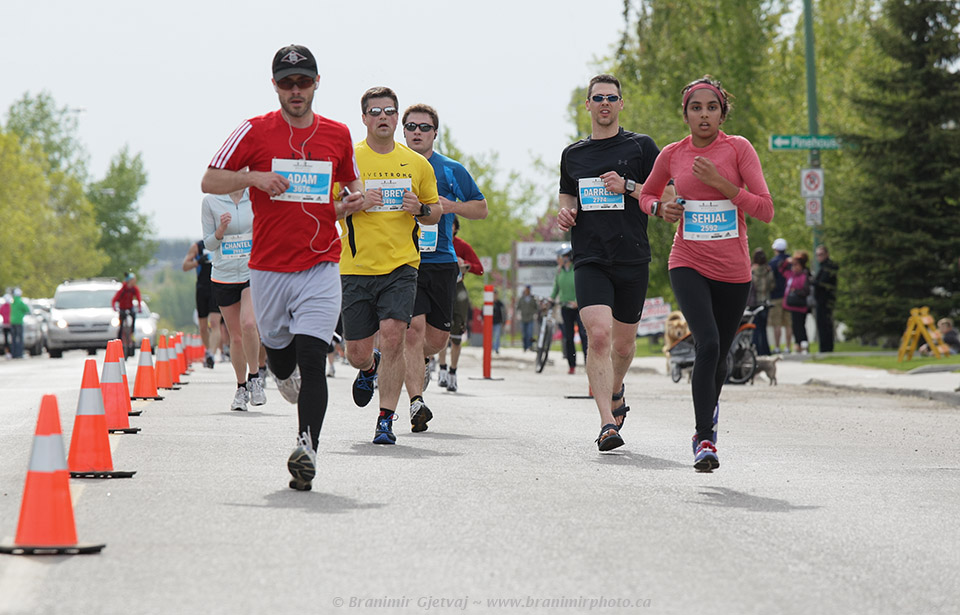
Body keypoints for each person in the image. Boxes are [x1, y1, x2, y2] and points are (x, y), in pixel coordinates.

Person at [201, 44, 367, 491]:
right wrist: (253, 177)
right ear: (275, 85)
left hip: (320, 263)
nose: (296, 90)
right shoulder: (254, 130)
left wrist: (353, 200)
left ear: (317, 83)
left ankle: (306, 450)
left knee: (313, 358)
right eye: (288, 83)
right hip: (269, 268)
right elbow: (209, 179)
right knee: (279, 357)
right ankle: (280, 371)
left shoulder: (337, 133)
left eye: (304, 81)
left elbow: (351, 185)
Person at [639, 75, 774, 471]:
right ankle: (705, 438)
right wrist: (660, 209)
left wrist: (721, 184)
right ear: (685, 115)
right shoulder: (672, 154)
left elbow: (765, 209)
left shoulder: (738, 149)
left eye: (711, 108)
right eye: (695, 108)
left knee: (720, 359)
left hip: (733, 270)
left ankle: (705, 427)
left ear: (722, 113)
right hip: (688, 261)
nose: (703, 115)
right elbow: (647, 194)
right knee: (708, 344)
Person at [557, 73, 671, 452]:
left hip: (632, 256)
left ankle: (617, 387)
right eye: (598, 98)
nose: (604, 103)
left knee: (623, 346)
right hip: (590, 256)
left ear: (621, 104)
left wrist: (629, 186)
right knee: (599, 335)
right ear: (587, 105)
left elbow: (668, 197)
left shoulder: (641, 147)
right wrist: (565, 213)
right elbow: (567, 197)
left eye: (611, 97)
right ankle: (607, 422)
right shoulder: (573, 155)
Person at [338, 86, 440, 446]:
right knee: (356, 353)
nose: (383, 117)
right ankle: (369, 368)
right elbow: (326, 209)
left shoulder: (417, 163)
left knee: (395, 337)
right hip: (356, 267)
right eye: (375, 111)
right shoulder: (348, 160)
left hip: (401, 266)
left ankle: (386, 419)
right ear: (364, 118)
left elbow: (434, 211)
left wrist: (421, 209)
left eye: (389, 111)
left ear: (397, 118)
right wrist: (354, 204)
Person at [400, 103, 487, 432]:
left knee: (436, 340)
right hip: (403, 261)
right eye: (411, 126)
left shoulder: (451, 169)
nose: (417, 132)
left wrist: (453, 206)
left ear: (435, 133)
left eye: (424, 127)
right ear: (403, 131)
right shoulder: (392, 165)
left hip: (440, 261)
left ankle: (417, 360)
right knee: (413, 330)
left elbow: (481, 208)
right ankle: (416, 402)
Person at [202, 185, 266, 412]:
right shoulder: (211, 201)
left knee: (249, 324)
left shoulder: (256, 197)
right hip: (224, 275)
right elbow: (209, 243)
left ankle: (255, 377)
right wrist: (221, 229)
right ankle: (241, 387)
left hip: (252, 272)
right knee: (235, 337)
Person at [437, 216, 483, 392]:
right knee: (441, 331)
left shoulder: (462, 246)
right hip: (440, 289)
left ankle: (453, 373)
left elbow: (479, 269)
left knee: (457, 333)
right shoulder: (435, 243)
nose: (448, 228)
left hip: (457, 289)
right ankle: (441, 369)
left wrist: (465, 264)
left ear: (455, 228)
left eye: (451, 225)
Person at [182, 240, 222, 367]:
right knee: (203, 327)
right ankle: (208, 350)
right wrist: (198, 262)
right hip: (202, 289)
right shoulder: (197, 247)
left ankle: (211, 354)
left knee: (215, 323)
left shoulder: (222, 243)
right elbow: (185, 266)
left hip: (217, 287)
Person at [551, 244, 589, 375]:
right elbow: (556, 288)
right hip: (565, 307)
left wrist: (578, 301)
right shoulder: (559, 271)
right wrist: (551, 299)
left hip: (578, 307)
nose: (558, 259)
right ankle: (571, 365)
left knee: (584, 335)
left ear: (567, 257)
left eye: (560, 256)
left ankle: (588, 363)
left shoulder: (576, 269)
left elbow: (583, 286)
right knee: (568, 337)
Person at [782, 250, 812, 354]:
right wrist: (787, 261)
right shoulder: (791, 275)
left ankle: (804, 345)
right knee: (795, 327)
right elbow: (781, 268)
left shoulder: (804, 275)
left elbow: (806, 291)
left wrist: (795, 291)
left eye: (796, 265)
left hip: (801, 305)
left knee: (801, 326)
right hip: (792, 305)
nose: (794, 267)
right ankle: (798, 344)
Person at [812, 245, 839, 352]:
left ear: (827, 254)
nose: (819, 257)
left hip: (826, 300)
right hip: (820, 300)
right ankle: (824, 346)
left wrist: (813, 281)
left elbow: (822, 283)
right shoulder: (823, 267)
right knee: (821, 324)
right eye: (817, 255)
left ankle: (826, 347)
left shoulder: (829, 267)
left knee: (825, 324)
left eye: (821, 254)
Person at [748, 247, 774, 356]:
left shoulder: (752, 271)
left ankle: (756, 350)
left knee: (755, 328)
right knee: (763, 328)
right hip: (765, 301)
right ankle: (765, 350)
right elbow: (772, 286)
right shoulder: (768, 271)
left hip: (754, 303)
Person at [768, 238, 791, 354]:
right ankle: (788, 347)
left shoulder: (772, 263)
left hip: (776, 296)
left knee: (776, 323)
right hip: (789, 296)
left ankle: (777, 346)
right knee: (788, 323)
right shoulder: (790, 261)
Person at [111, 273, 143, 357]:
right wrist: (114, 307)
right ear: (129, 281)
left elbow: (138, 298)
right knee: (121, 324)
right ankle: (119, 338)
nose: (134, 282)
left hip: (130, 307)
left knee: (133, 315)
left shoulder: (134, 289)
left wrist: (139, 307)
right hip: (122, 308)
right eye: (133, 280)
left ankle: (132, 332)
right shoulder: (123, 289)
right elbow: (115, 299)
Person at [9, 288, 30, 359]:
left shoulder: (12, 302)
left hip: (12, 322)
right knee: (20, 339)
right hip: (19, 322)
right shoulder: (20, 302)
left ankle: (13, 354)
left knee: (13, 339)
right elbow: (27, 309)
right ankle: (19, 354)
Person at [516, 285, 538, 352]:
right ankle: (525, 347)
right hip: (523, 318)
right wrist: (518, 314)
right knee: (524, 334)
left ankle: (530, 346)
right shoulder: (521, 299)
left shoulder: (533, 299)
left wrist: (535, 314)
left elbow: (536, 307)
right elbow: (518, 307)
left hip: (530, 318)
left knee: (530, 333)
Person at [492, 289, 506, 353]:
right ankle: (492, 348)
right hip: (490, 323)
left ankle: (496, 348)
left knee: (497, 336)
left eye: (496, 295)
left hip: (498, 322)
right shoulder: (489, 303)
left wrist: (503, 322)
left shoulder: (500, 304)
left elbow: (503, 313)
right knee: (491, 336)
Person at [1, 294, 12, 358]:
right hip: (10, 324)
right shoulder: (11, 306)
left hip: (5, 324)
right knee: (11, 339)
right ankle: (11, 352)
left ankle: (7, 352)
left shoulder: (3, 306)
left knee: (6, 340)